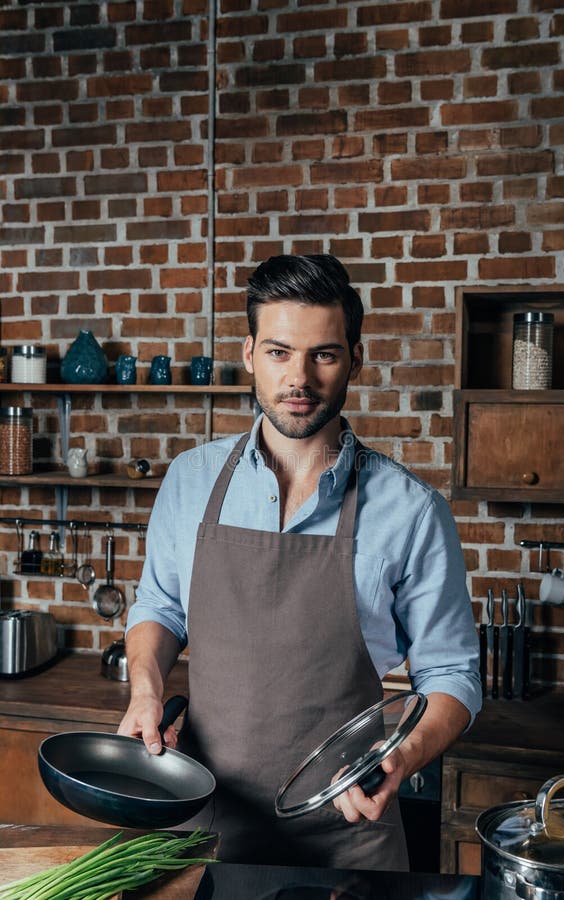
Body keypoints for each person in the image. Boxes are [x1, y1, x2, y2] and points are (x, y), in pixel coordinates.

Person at [120, 254, 481, 872]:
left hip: (347, 835)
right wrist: (146, 690)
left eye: (324, 354)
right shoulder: (190, 480)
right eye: (280, 352)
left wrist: (404, 755)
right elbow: (160, 606)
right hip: (202, 825)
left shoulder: (412, 510)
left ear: (355, 360)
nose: (300, 379)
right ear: (251, 352)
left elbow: (452, 674)